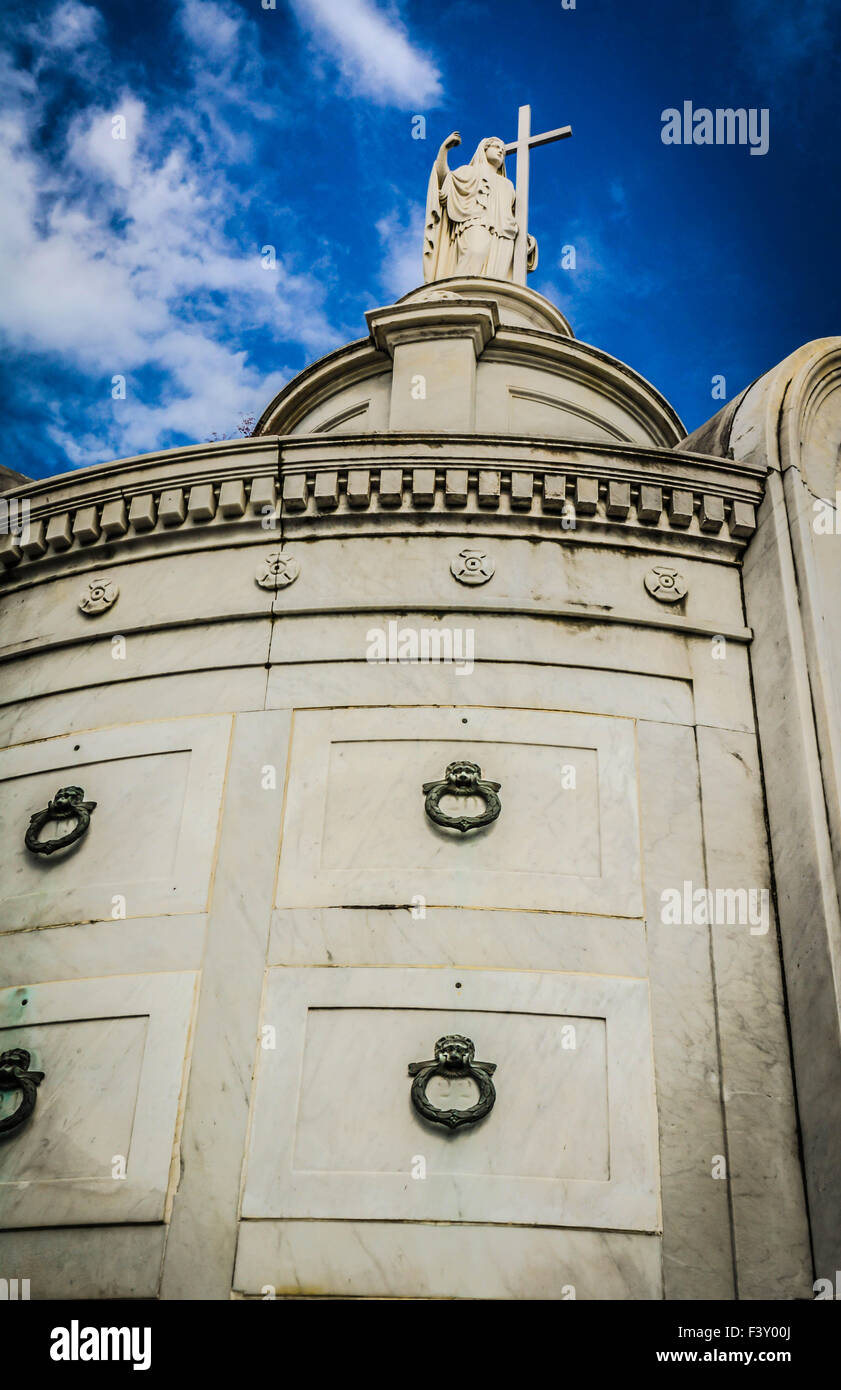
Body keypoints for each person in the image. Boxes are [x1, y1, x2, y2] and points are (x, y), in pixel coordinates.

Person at [423, 131, 536, 283]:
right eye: (496, 146)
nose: (501, 150)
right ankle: (457, 297)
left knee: (497, 280)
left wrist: (525, 238)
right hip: (476, 224)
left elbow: (514, 216)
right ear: (484, 149)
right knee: (475, 252)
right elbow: (442, 181)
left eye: (503, 149)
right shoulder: (468, 172)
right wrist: (444, 149)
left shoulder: (508, 186)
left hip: (504, 235)